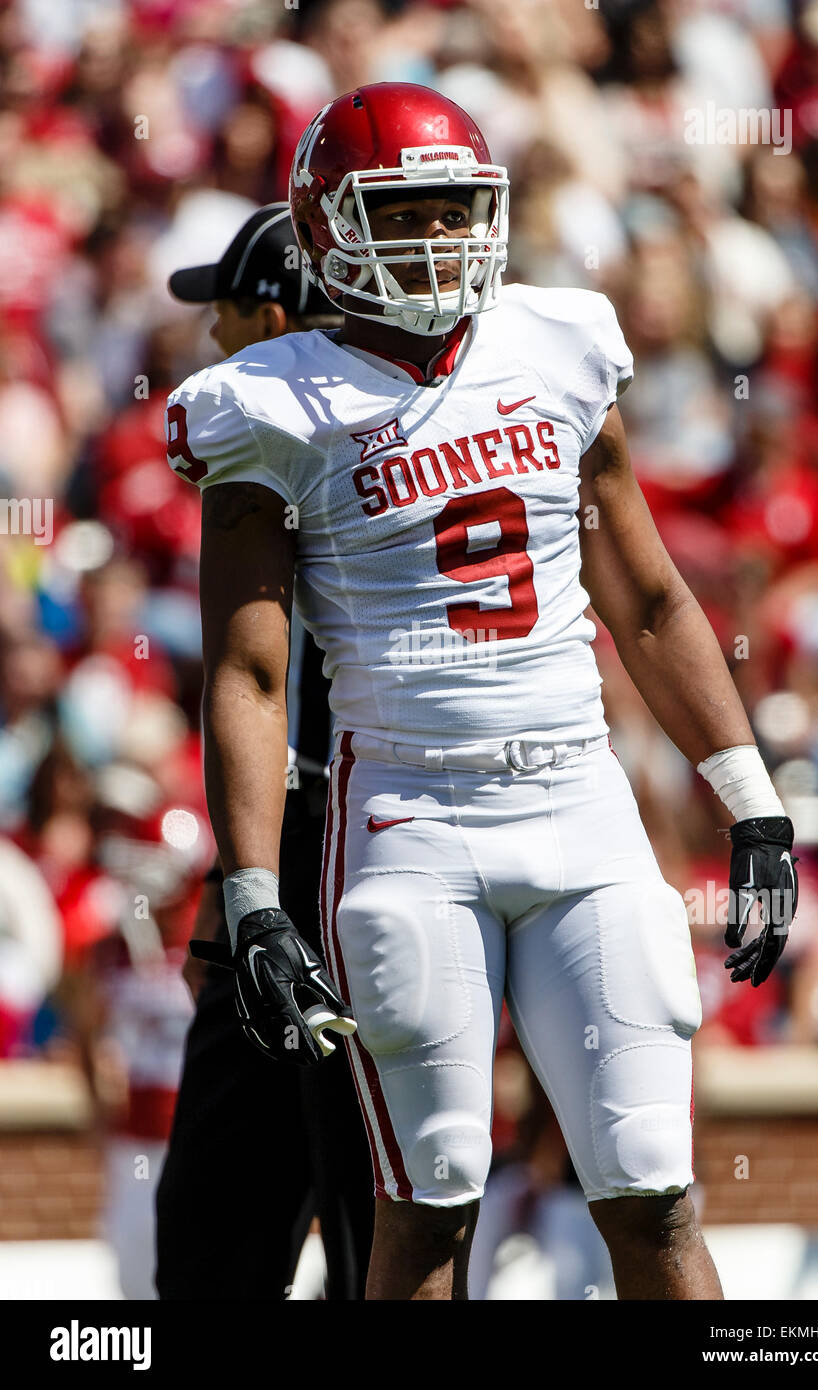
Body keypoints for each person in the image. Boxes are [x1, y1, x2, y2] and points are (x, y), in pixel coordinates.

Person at [165, 85, 799, 1301]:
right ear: (326, 226)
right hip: (404, 816)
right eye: (405, 212)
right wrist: (250, 890)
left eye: (460, 208)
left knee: (653, 1191)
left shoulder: (557, 342)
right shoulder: (270, 399)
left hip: (580, 798)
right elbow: (247, 669)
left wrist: (748, 801)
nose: (442, 240)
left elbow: (651, 599)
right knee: (429, 1205)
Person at [155, 204, 374, 1301]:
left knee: (358, 1236)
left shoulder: (302, 463)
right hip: (337, 848)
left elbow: (262, 692)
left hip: (342, 850)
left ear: (277, 314)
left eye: (229, 312)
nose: (209, 339)